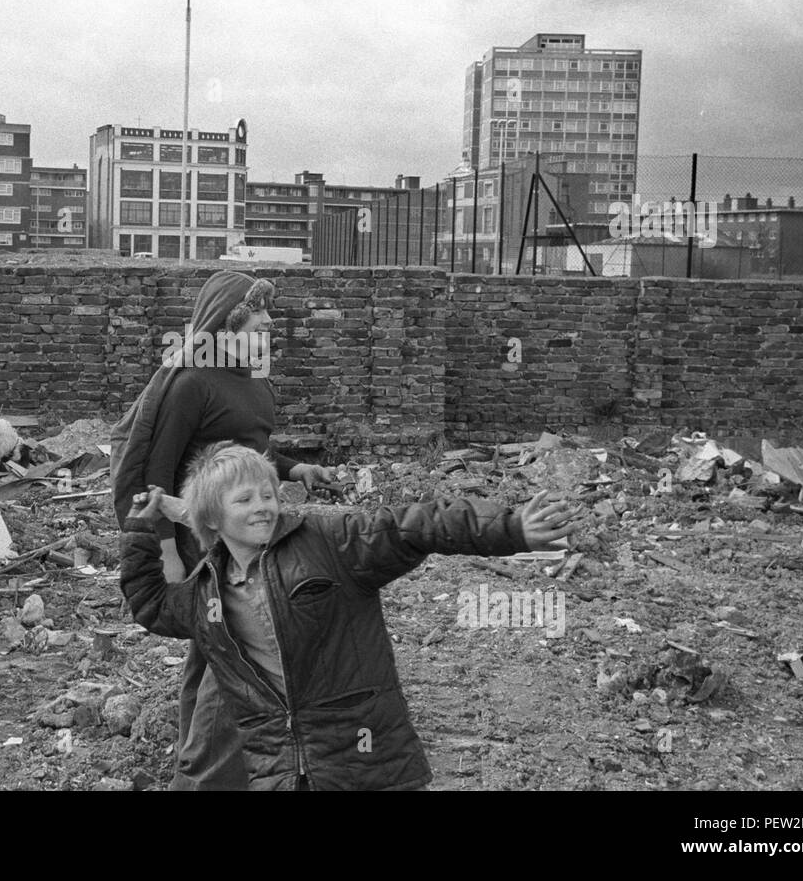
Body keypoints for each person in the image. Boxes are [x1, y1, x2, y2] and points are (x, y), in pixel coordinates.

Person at [119, 441, 579, 791]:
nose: (263, 506)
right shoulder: (206, 593)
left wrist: (512, 528)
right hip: (283, 771)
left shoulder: (326, 540)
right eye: (245, 500)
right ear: (212, 518)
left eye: (268, 494)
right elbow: (151, 604)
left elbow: (416, 526)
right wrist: (142, 527)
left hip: (364, 758)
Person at [110, 270, 334, 790]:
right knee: (230, 646)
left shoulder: (254, 381)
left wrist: (297, 470)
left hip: (243, 533)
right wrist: (167, 551)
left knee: (210, 648)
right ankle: (207, 775)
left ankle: (201, 760)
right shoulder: (192, 383)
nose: (269, 321)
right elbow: (156, 474)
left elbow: (249, 454)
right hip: (200, 536)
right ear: (230, 322)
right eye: (258, 313)